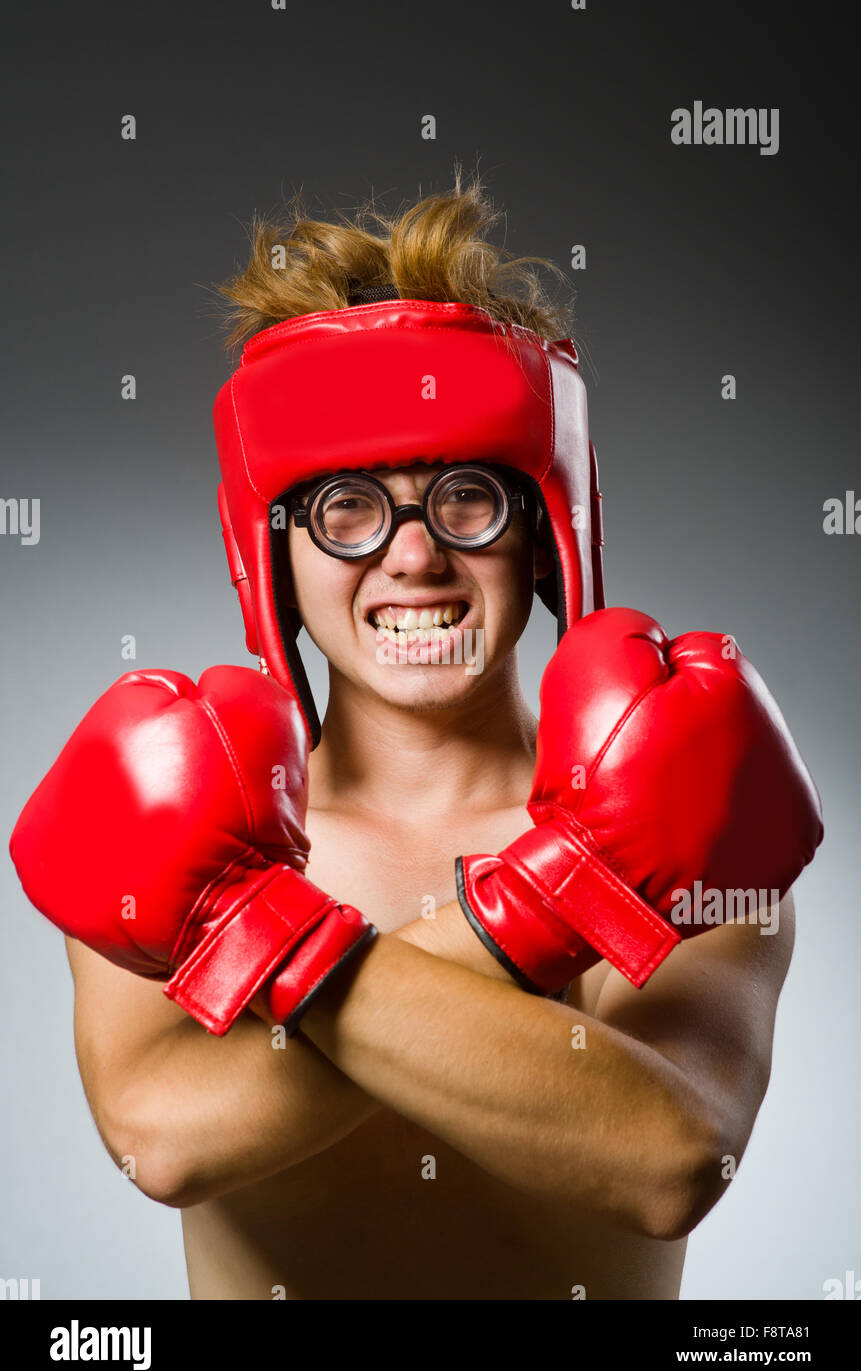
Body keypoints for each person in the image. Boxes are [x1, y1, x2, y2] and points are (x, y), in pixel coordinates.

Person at [9, 172, 822, 1300]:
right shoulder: (178, 819)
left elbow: (670, 1159)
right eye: (347, 505)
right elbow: (166, 1137)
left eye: (466, 496)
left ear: (544, 531)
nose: (412, 556)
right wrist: (559, 905)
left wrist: (259, 939)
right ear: (276, 552)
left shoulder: (675, 810)